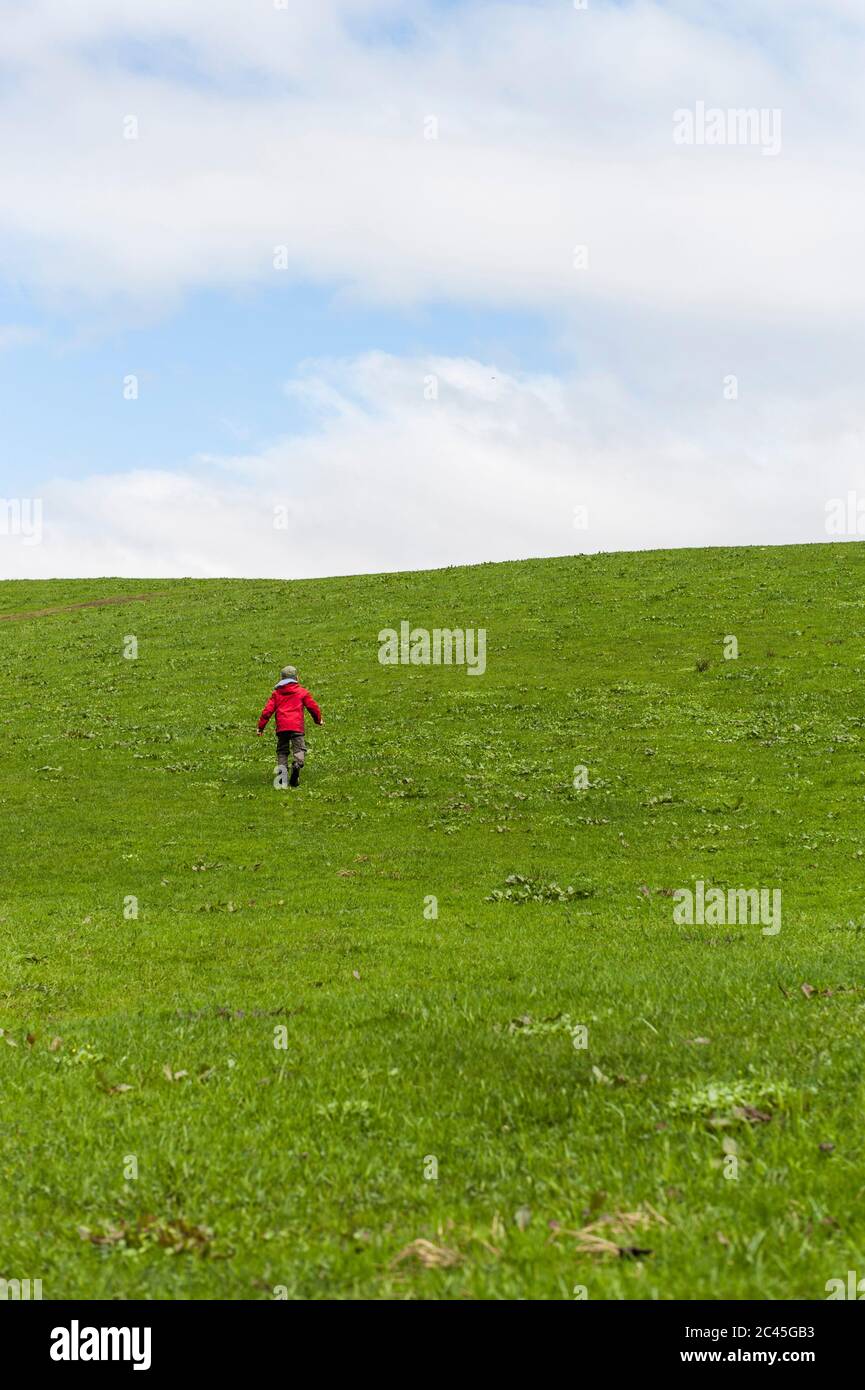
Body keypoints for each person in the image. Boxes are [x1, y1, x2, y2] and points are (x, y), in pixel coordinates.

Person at [257, 665, 324, 787]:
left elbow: (267, 711)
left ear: (281, 679)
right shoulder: (302, 692)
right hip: (296, 727)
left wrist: (260, 727)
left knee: (282, 751)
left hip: (282, 728)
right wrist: (318, 720)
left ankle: (282, 778)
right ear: (296, 678)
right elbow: (313, 707)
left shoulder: (276, 694)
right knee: (299, 749)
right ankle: (297, 764)